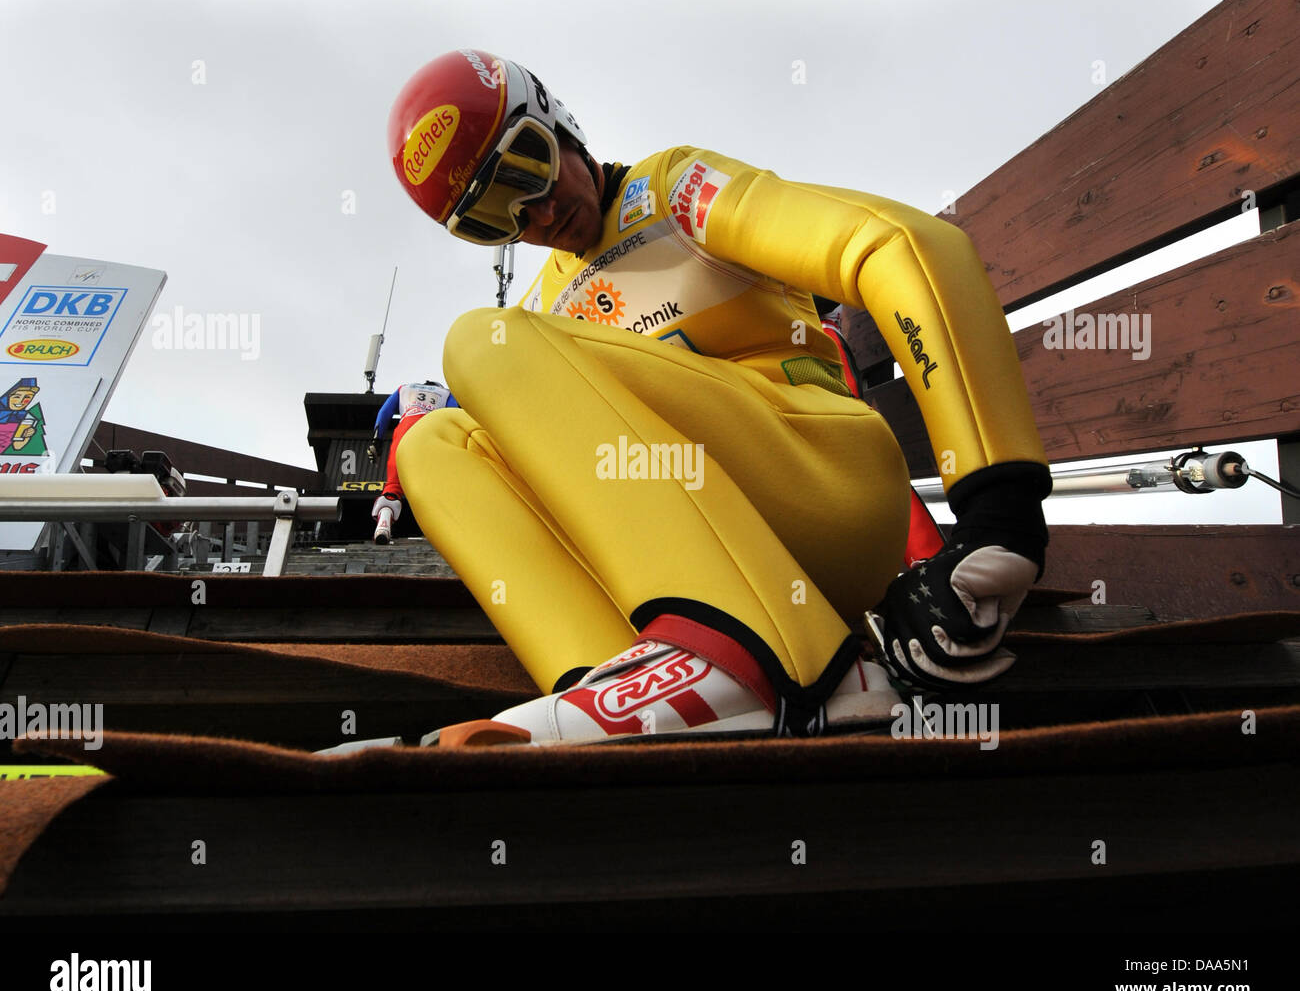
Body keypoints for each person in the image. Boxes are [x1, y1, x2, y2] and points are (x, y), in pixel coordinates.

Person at [383, 49, 1050, 746]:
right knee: (434, 442)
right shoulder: (541, 307)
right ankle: (618, 688)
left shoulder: (671, 192)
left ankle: (745, 661)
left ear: (558, 121)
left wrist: (997, 505)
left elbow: (900, 245)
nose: (538, 212)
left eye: (527, 168)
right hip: (714, 559)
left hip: (826, 492)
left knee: (479, 342)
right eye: (493, 218)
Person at [367, 380, 458, 544]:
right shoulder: (446, 393)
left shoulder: (404, 389)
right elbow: (452, 415)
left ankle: (383, 523)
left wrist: (376, 441)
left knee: (393, 486)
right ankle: (438, 533)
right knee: (434, 488)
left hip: (404, 431)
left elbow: (385, 412)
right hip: (430, 434)